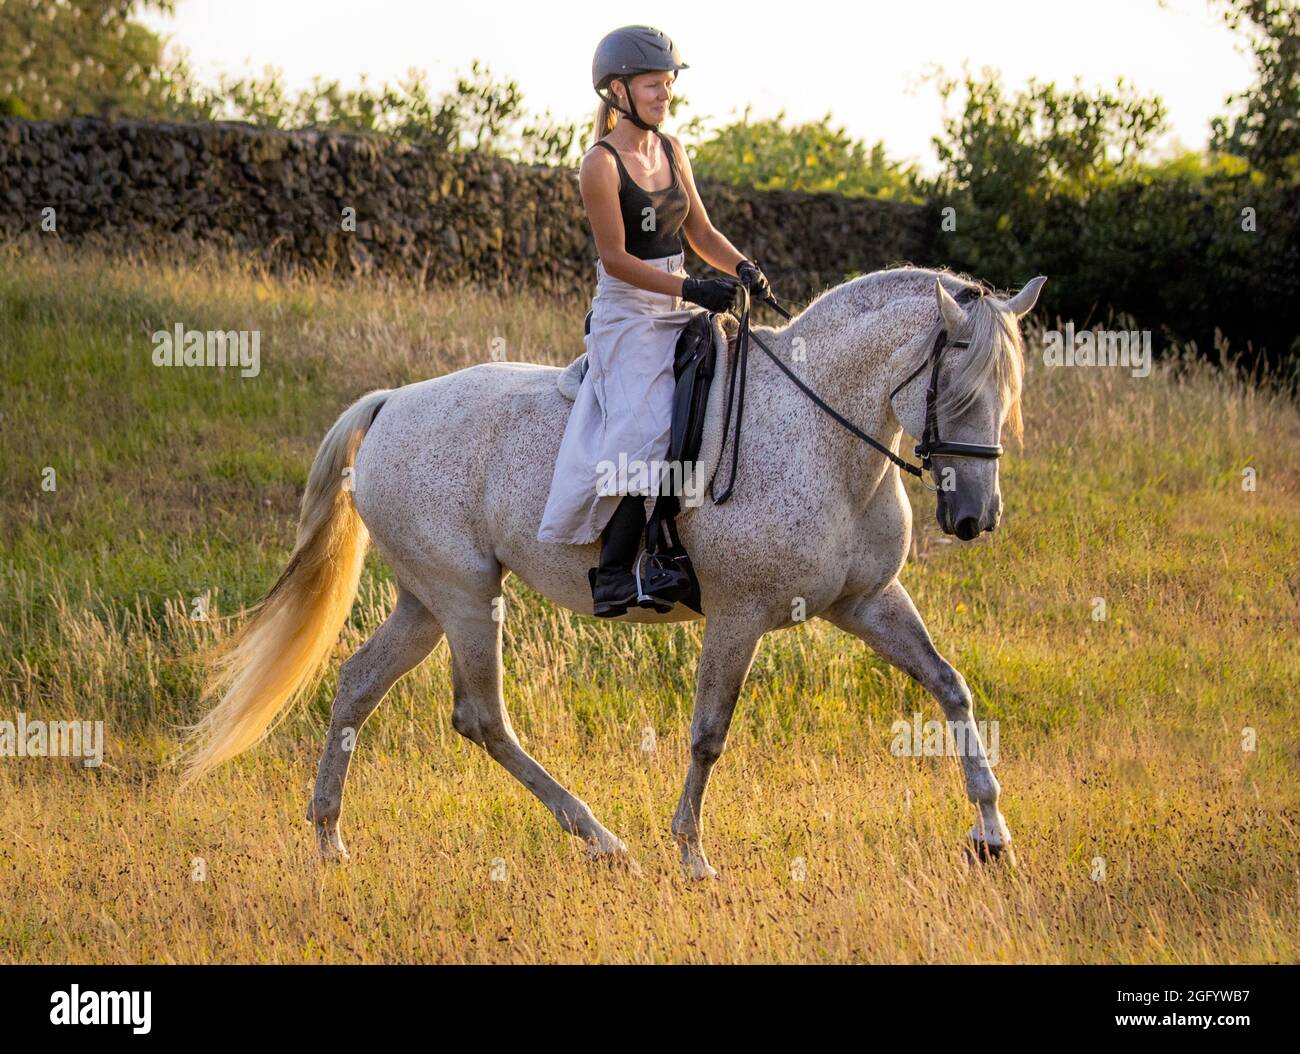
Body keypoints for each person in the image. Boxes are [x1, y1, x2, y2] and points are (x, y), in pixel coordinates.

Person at [536, 24, 773, 618]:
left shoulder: (671, 150)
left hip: (672, 297)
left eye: (668, 84)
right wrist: (692, 285)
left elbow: (700, 232)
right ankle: (615, 573)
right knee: (644, 425)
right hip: (627, 310)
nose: (665, 94)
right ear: (617, 91)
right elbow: (616, 259)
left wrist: (741, 267)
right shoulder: (600, 164)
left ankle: (675, 536)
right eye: (653, 85)